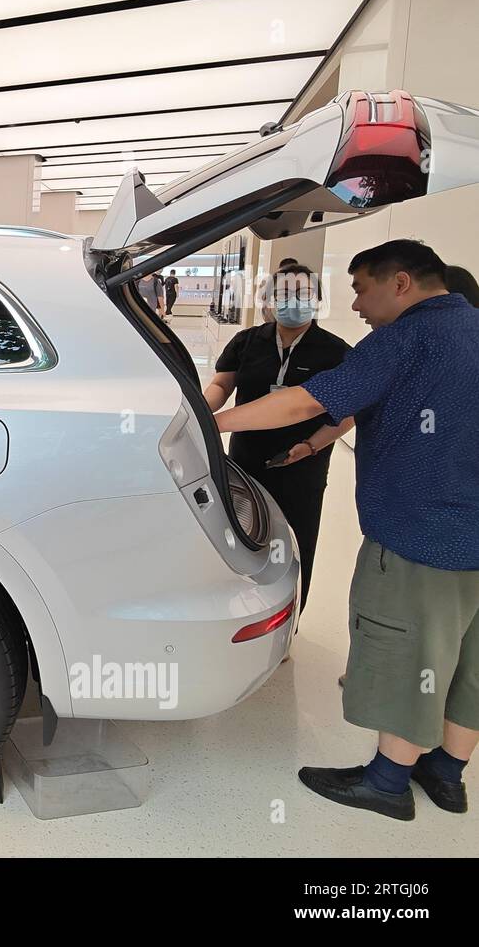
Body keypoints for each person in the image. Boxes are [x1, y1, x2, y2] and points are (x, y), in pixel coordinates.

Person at [216, 239, 479, 821]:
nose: (356, 303)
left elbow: (304, 404)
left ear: (402, 282)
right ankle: (448, 774)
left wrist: (208, 426)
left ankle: (387, 782)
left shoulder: (405, 338)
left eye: (362, 288)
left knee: (409, 653)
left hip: (422, 536)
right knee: (468, 661)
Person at [204, 264, 352, 614]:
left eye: (302, 294)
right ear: (269, 299)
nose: (292, 301)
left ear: (317, 300)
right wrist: (203, 414)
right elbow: (222, 385)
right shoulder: (247, 341)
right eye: (284, 294)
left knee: (298, 540)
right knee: (243, 533)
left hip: (303, 463)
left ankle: (291, 618)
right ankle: (244, 609)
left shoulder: (335, 351)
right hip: (246, 458)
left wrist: (311, 446)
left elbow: (346, 415)